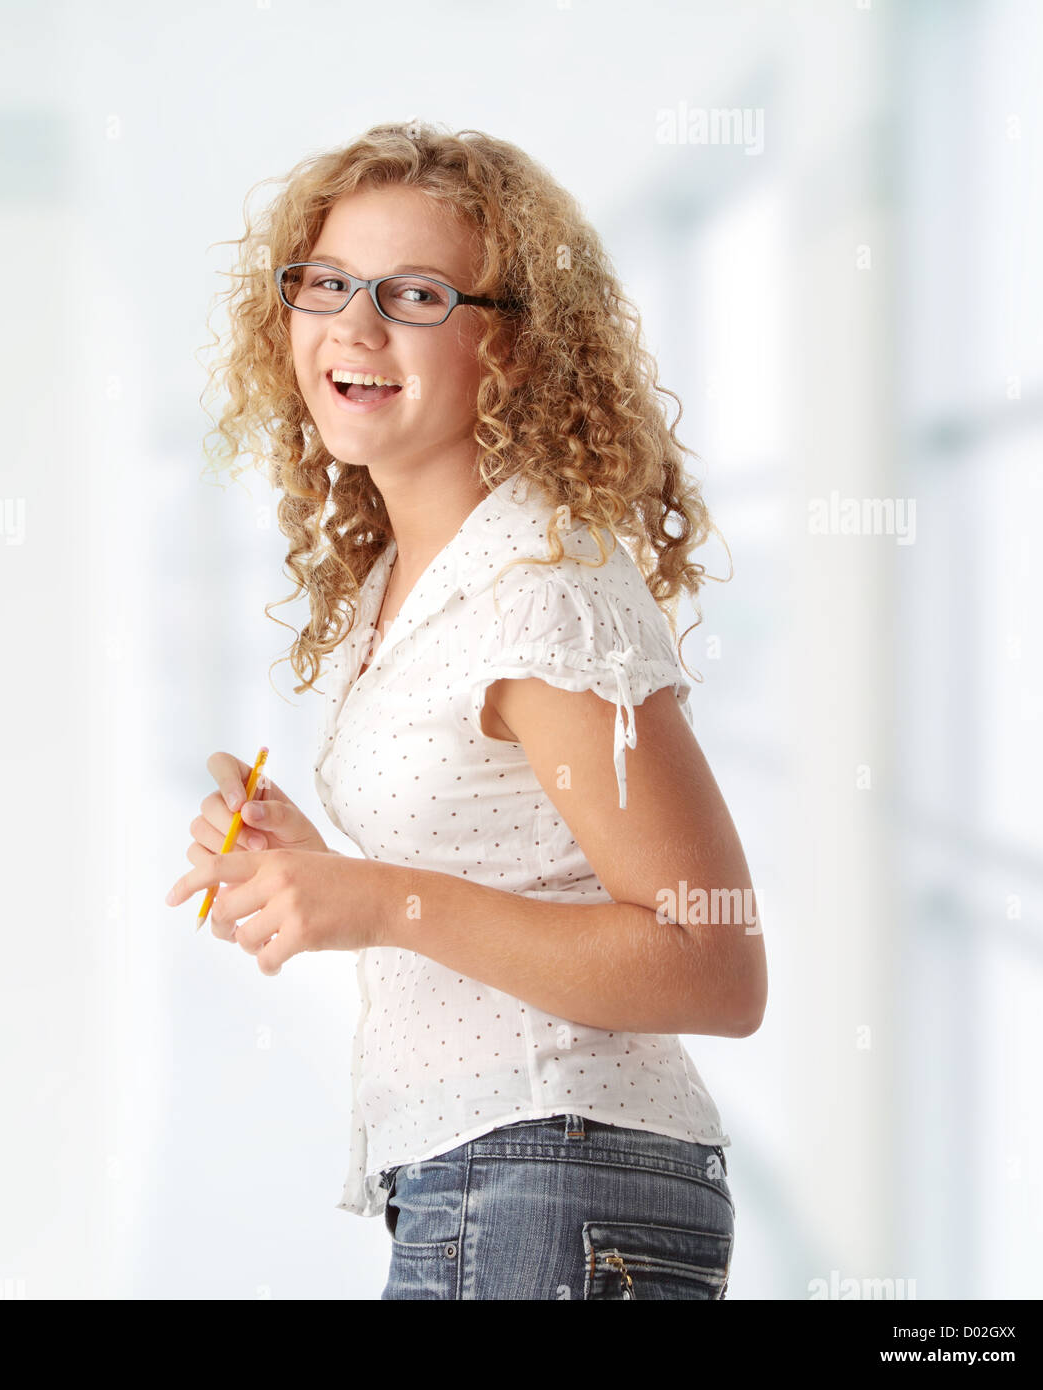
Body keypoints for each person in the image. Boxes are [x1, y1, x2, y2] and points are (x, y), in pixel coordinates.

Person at [165, 121, 767, 1300]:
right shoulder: (417, 581)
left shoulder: (535, 595)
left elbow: (713, 959)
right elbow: (508, 871)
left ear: (516, 349)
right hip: (500, 1183)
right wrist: (316, 867)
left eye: (417, 294)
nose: (354, 324)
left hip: (552, 1176)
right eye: (328, 283)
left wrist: (380, 898)